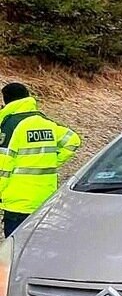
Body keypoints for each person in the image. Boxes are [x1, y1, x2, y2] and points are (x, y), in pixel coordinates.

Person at [0, 83, 80, 237]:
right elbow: (73, 140)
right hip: (45, 198)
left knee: (15, 250)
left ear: (6, 101)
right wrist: (51, 161)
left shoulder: (11, 126)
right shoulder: (44, 122)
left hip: (18, 201)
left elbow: (3, 166)